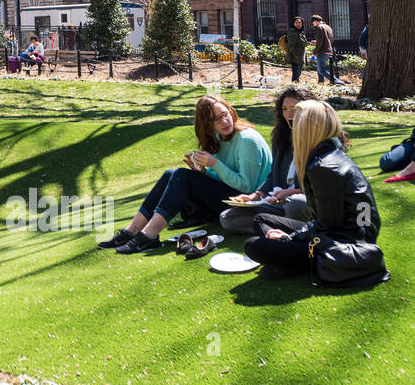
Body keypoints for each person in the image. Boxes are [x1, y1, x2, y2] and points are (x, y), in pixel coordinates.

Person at [101, 94, 273, 254]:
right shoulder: (220, 137)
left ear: (231, 112)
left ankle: (149, 235)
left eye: (225, 114)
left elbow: (247, 186)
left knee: (182, 176)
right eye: (215, 119)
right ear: (207, 124)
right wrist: (204, 172)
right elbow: (224, 179)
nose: (224, 121)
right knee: (171, 173)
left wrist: (214, 164)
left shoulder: (247, 140)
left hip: (250, 203)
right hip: (231, 197)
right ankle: (132, 230)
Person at [245, 100, 387, 284]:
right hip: (348, 232)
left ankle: (296, 265)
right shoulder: (329, 154)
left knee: (253, 246)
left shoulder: (324, 168)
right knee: (261, 219)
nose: (292, 127)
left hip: (347, 243)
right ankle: (289, 264)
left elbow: (328, 226)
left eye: (295, 123)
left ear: (307, 129)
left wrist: (290, 238)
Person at [219, 86, 313, 234]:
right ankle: (285, 227)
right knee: (227, 218)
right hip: (278, 202)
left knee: (296, 203)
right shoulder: (281, 137)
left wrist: (291, 192)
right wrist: (256, 196)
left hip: (306, 202)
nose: (289, 114)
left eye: (294, 108)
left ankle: (289, 229)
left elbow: (324, 189)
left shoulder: (320, 140)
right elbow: (272, 176)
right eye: (285, 109)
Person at [283, 16, 310, 83]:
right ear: (293, 24)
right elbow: (291, 46)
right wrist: (296, 55)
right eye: (296, 23)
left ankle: (295, 87)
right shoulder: (293, 32)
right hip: (295, 57)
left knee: (298, 73)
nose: (298, 24)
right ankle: (294, 89)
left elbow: (302, 42)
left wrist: (308, 43)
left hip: (300, 56)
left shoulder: (300, 32)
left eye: (300, 23)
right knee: (296, 74)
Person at [311, 13, 336, 84]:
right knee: (320, 69)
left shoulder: (319, 27)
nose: (313, 25)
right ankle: (320, 83)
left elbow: (320, 43)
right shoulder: (328, 27)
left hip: (322, 51)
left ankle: (337, 82)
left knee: (321, 70)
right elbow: (329, 40)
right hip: (329, 50)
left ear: (315, 21)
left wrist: (314, 53)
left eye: (313, 23)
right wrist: (317, 41)